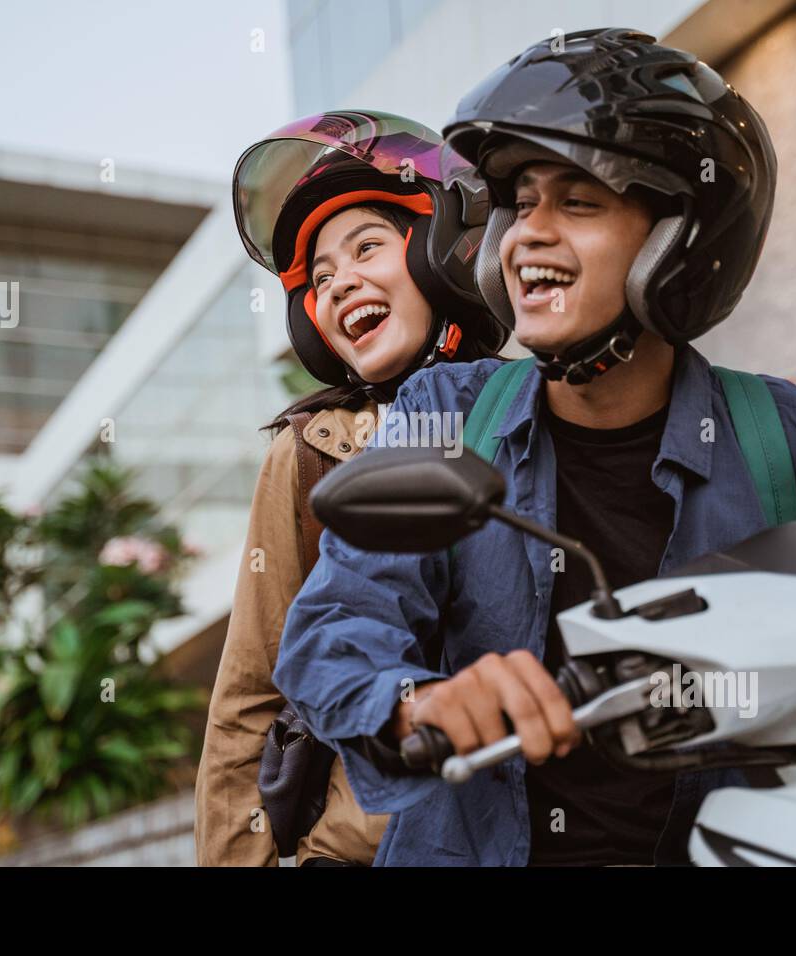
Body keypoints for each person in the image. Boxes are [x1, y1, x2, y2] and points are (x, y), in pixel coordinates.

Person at [274, 30, 796, 866]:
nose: (527, 235)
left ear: (681, 238)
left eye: (580, 201)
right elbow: (337, 627)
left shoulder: (795, 438)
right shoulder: (445, 412)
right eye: (520, 201)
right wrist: (423, 702)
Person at [195, 110, 507, 866]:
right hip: (364, 848)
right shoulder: (307, 455)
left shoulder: (540, 409)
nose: (341, 286)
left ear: (443, 252)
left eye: (368, 247)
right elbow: (248, 700)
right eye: (321, 278)